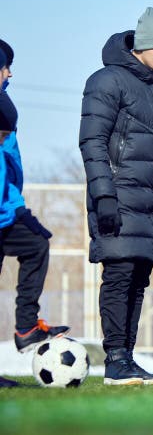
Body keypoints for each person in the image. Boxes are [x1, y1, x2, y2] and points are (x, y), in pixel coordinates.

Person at [78, 7, 153, 386]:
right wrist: (103, 195)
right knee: (119, 275)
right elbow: (92, 141)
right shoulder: (106, 81)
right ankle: (114, 360)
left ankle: (127, 359)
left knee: (140, 279)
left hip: (151, 202)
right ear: (142, 47)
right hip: (118, 197)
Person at [0, 40, 69, 388]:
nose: (10, 74)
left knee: (37, 244)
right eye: (5, 67)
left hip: (5, 213)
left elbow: (8, 168)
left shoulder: (5, 106)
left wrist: (17, 208)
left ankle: (27, 327)